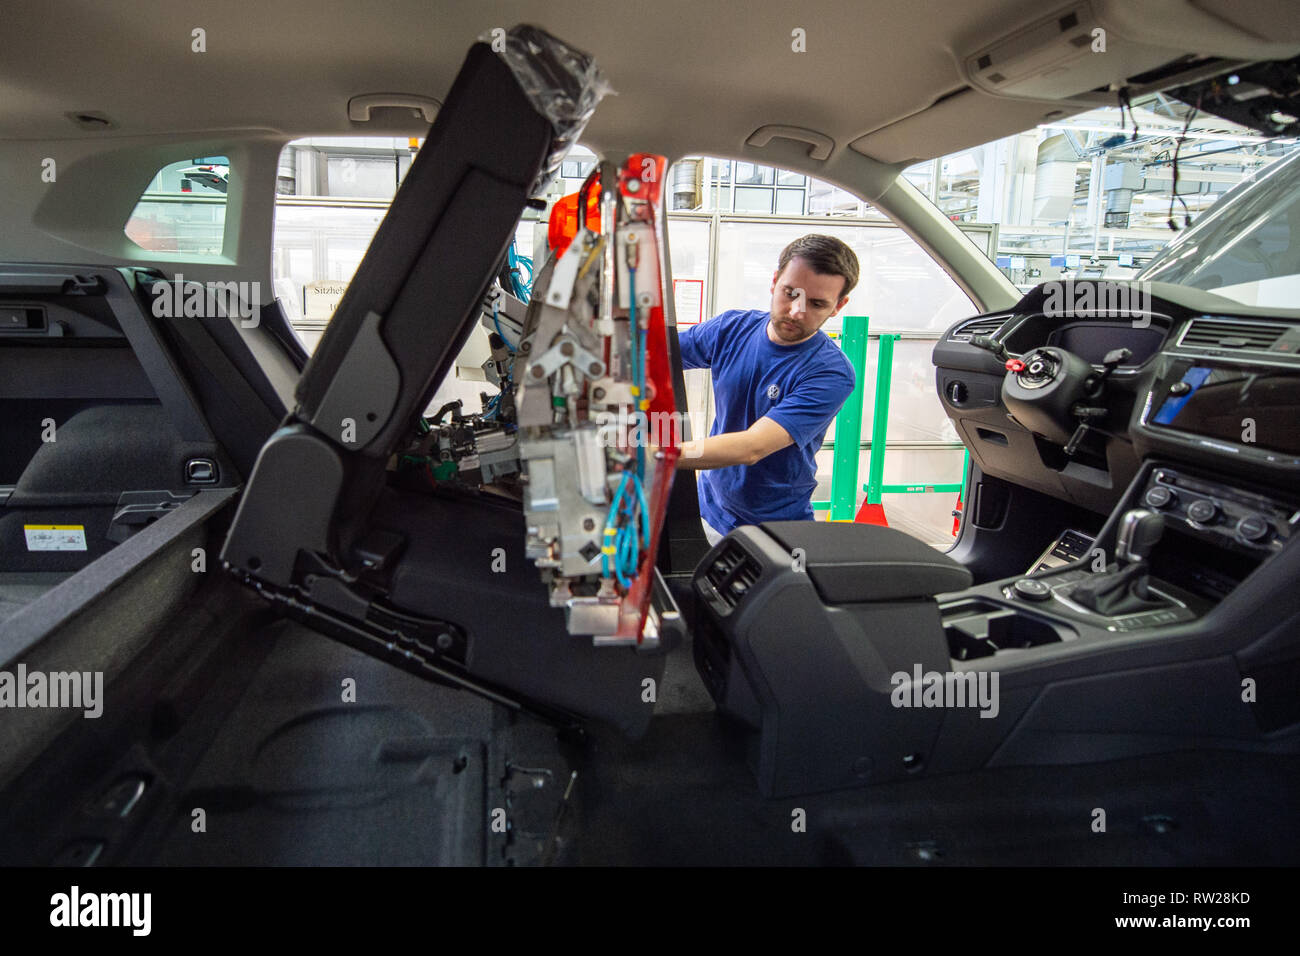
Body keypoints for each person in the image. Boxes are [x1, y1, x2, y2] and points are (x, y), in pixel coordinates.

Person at [677, 234, 859, 545]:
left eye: (817, 304)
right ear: (774, 282)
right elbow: (654, 353)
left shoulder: (830, 372)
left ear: (838, 306)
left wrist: (652, 454)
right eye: (791, 293)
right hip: (708, 510)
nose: (797, 311)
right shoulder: (731, 329)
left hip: (775, 532)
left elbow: (752, 447)